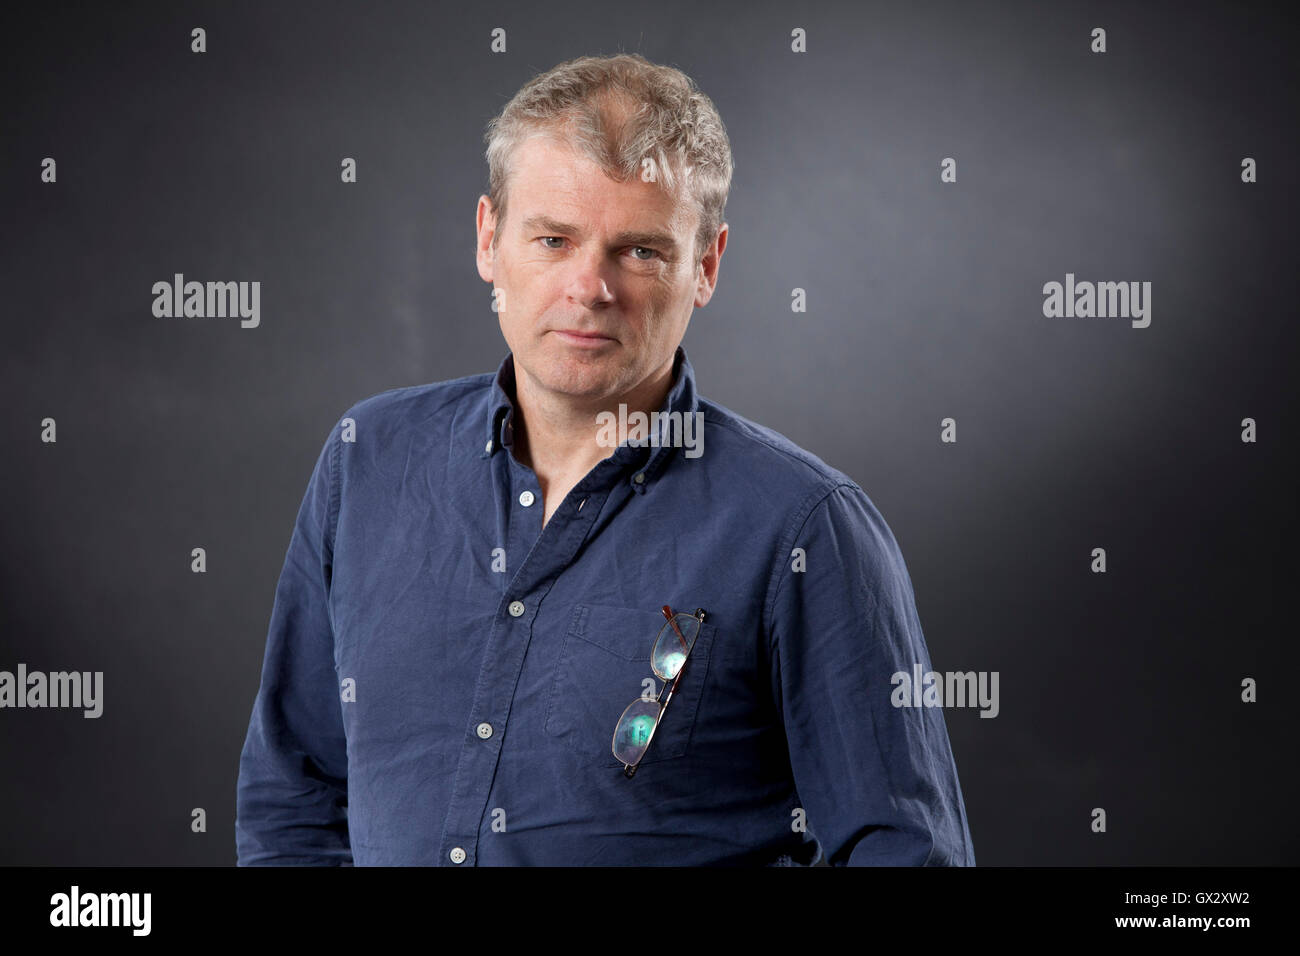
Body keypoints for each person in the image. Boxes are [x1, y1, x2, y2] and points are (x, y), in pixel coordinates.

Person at [235, 52, 976, 866]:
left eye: (641, 252)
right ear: (489, 239)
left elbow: (904, 853)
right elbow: (295, 798)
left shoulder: (805, 529)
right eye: (553, 239)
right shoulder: (366, 462)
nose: (589, 287)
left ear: (707, 266)